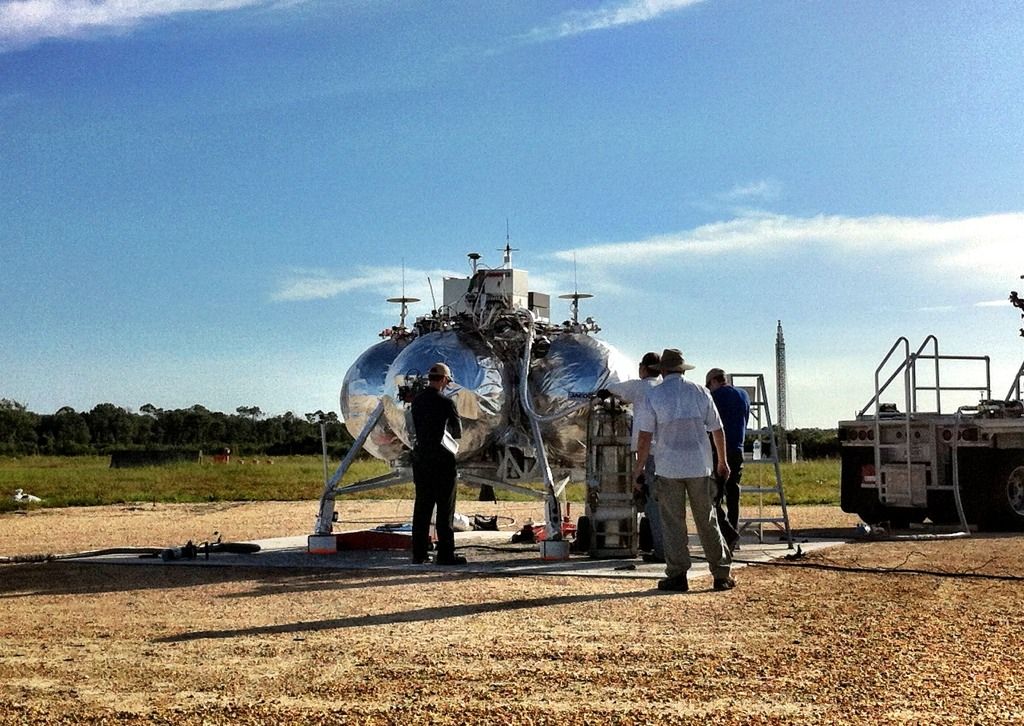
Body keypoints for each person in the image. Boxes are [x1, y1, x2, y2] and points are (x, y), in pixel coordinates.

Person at [634, 348, 735, 592]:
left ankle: (678, 574)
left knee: (673, 523)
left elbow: (645, 437)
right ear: (681, 369)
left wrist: (638, 469)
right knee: (707, 520)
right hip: (700, 465)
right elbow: (717, 430)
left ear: (663, 370)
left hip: (668, 467)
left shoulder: (654, 396)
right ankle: (721, 573)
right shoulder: (700, 392)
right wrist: (722, 462)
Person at [598, 351, 665, 563]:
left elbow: (613, 389)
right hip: (669, 454)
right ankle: (671, 548)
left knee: (653, 503)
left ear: (643, 368)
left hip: (649, 455)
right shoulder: (665, 389)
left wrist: (602, 393)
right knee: (668, 504)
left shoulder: (639, 386)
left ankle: (661, 551)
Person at [410, 362, 465, 565]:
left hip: (421, 459)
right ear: (443, 380)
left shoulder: (417, 401)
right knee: (445, 510)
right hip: (442, 461)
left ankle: (419, 554)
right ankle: (445, 555)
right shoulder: (446, 402)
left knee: (422, 508)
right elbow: (457, 431)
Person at [706, 367, 751, 551]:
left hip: (717, 450)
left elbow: (710, 425)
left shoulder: (714, 397)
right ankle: (733, 537)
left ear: (713, 382)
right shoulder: (743, 395)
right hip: (737, 449)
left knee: (712, 496)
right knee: (733, 494)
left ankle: (727, 533)